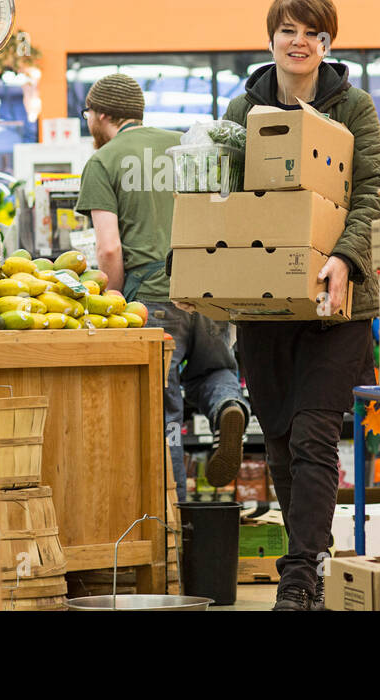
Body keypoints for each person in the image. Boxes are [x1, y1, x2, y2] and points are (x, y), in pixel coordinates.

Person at [223, 0, 380, 611]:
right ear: (270, 39)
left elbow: (372, 192)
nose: (300, 42)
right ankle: (307, 571)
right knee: (284, 439)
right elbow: (227, 200)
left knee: (317, 435)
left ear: (328, 44)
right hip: (266, 306)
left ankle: (300, 580)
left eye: (313, 33)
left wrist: (344, 258)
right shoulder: (243, 109)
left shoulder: (355, 108)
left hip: (337, 305)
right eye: (289, 30)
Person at [74, 74, 250, 502]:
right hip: (209, 290)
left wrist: (112, 302)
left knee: (162, 415)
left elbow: (109, 249)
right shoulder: (186, 145)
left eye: (87, 115)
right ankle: (228, 407)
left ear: (100, 115)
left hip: (151, 302)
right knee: (215, 370)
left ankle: (173, 531)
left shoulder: (103, 160)